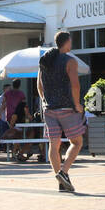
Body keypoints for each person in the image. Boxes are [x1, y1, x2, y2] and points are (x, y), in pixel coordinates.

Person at [38, 31, 85, 192]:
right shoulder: (70, 61)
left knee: (54, 144)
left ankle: (60, 181)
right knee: (77, 142)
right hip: (66, 108)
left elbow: (39, 85)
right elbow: (75, 85)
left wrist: (45, 100)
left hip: (49, 109)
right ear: (67, 42)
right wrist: (77, 104)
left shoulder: (45, 60)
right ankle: (63, 173)